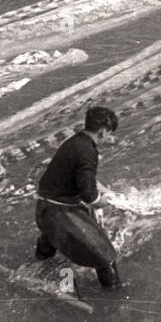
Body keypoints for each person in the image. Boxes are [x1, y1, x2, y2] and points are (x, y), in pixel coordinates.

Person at [33, 105, 123, 289]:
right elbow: (90, 196)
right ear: (102, 131)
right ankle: (114, 294)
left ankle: (37, 263)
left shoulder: (74, 141)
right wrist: (106, 201)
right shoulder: (88, 152)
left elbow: (84, 178)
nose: (108, 138)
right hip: (60, 212)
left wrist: (106, 191)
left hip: (44, 208)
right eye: (109, 133)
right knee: (105, 255)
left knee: (50, 236)